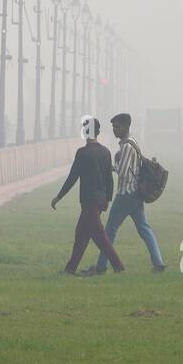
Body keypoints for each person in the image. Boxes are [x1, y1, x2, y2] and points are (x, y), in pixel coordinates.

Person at [84, 113, 165, 276]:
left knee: (109, 231)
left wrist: (113, 164)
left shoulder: (127, 147)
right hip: (136, 194)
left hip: (126, 194)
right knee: (144, 229)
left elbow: (123, 173)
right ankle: (158, 262)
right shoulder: (132, 142)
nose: (115, 130)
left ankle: (101, 266)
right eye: (113, 127)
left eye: (117, 127)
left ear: (126, 127)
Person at [51, 117, 125, 274]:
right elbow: (109, 179)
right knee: (81, 235)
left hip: (89, 201)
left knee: (100, 237)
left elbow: (72, 178)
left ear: (85, 132)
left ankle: (118, 266)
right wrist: (108, 199)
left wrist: (59, 197)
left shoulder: (82, 153)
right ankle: (70, 269)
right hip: (99, 200)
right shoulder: (105, 152)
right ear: (98, 132)